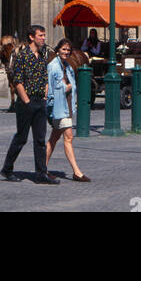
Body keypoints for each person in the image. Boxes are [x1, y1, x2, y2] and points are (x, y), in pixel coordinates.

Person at [0, 24, 56, 184]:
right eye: (41, 35)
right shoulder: (23, 56)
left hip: (40, 101)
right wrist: (26, 100)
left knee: (40, 139)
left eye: (44, 35)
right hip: (27, 102)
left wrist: (45, 94)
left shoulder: (42, 55)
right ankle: (7, 169)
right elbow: (17, 80)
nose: (44, 38)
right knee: (21, 138)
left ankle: (41, 173)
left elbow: (45, 77)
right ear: (32, 37)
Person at [45, 39, 90, 182]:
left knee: (53, 139)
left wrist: (69, 87)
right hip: (59, 107)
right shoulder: (54, 66)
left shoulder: (67, 66)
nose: (66, 52)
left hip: (67, 105)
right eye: (63, 49)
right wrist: (68, 87)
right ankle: (77, 172)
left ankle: (42, 168)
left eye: (68, 50)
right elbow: (57, 88)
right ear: (58, 50)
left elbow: (70, 85)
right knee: (69, 137)